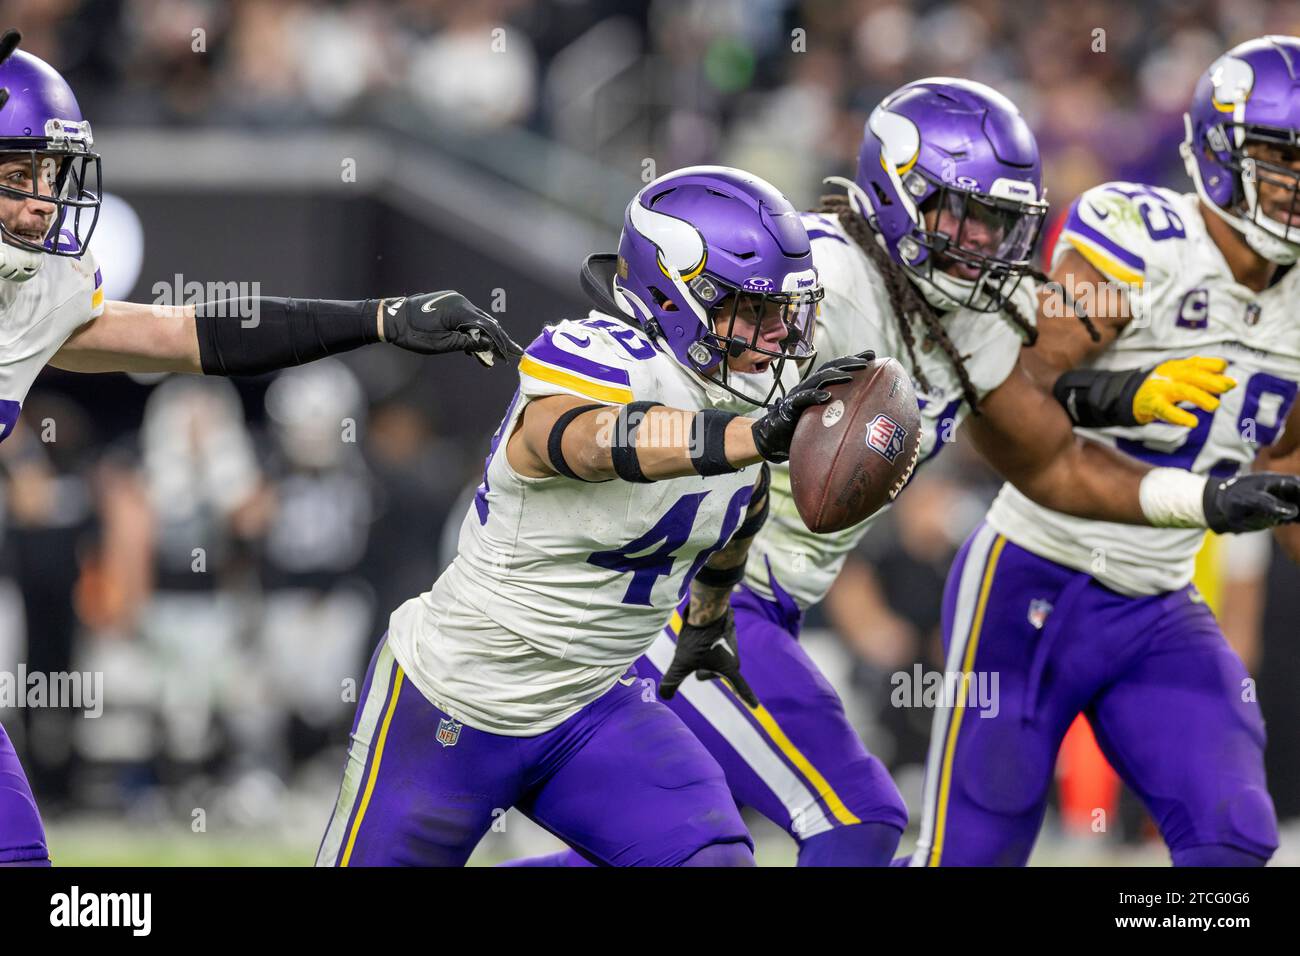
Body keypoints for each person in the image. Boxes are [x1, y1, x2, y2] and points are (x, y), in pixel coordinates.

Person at [507, 78, 1300, 867]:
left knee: (694, 855)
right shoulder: (820, 281)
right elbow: (663, 376)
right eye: (964, 213)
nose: (983, 243)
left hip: (769, 606)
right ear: (897, 189)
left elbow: (1051, 460)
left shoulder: (980, 323)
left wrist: (1204, 496)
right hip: (686, 595)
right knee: (857, 821)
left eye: (1002, 222)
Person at [0, 38, 520, 867]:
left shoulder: (30, 298)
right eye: (17, 176)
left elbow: (197, 334)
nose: (40, 204)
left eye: (49, 177)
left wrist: (378, 318)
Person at [315, 165, 870, 867]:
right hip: (456, 697)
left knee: (712, 859)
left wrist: (710, 611)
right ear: (674, 294)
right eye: (750, 309)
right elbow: (572, 439)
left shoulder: (750, 393)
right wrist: (747, 439)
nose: (774, 337)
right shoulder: (603, 352)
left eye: (785, 312)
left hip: (591, 704)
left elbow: (744, 503)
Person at [912, 36, 1300, 867]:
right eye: (1280, 155)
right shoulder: (1143, 240)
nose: (1297, 180)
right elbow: (1011, 394)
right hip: (1033, 578)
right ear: (1221, 153)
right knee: (970, 855)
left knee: (1234, 838)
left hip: (1158, 602)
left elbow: (1290, 463)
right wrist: (1131, 409)